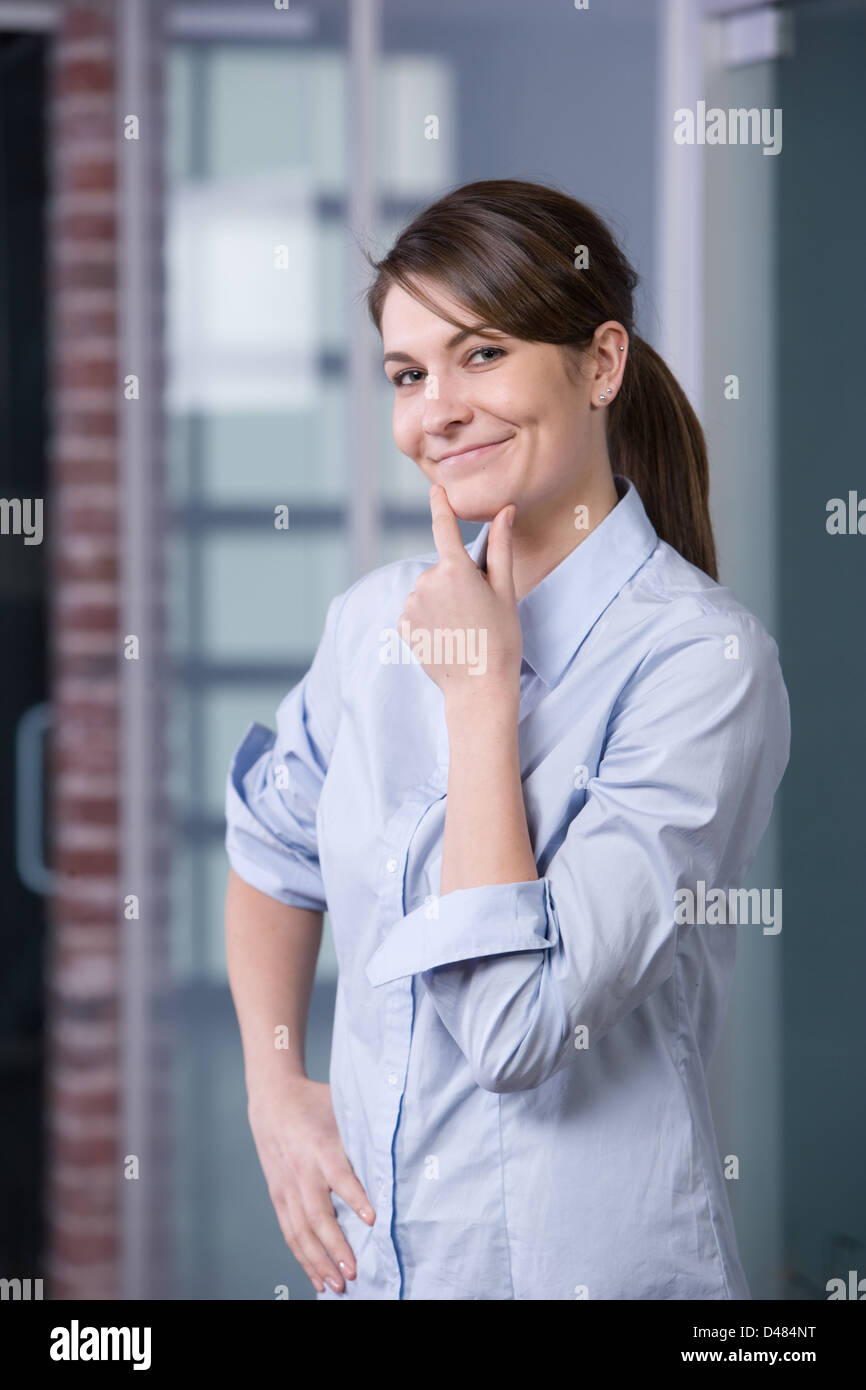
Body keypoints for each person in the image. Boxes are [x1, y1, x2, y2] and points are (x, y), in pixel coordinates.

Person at [224, 178, 790, 1300]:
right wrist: (275, 1088)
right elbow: (268, 850)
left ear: (598, 364)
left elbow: (516, 1031)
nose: (435, 409)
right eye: (406, 374)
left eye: (480, 354)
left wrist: (480, 697)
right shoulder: (371, 626)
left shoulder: (700, 664)